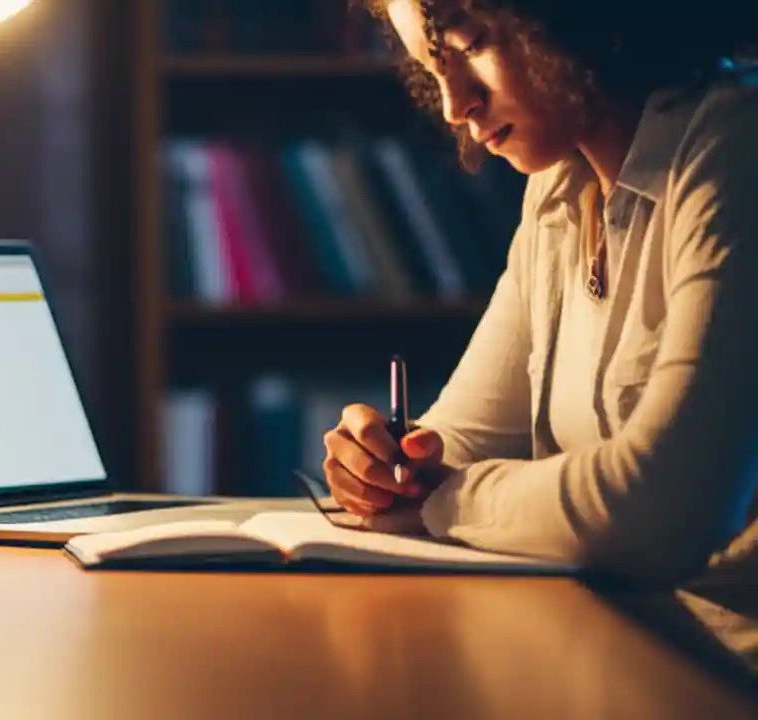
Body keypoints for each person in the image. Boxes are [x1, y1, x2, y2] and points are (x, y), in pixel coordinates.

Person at [322, 0, 758, 596]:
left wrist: (446, 499)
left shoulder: (735, 151)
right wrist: (384, 471)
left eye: (472, 48)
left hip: (723, 676)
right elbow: (458, 444)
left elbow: (666, 512)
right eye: (433, 68)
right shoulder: (557, 193)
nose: (455, 107)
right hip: (611, 642)